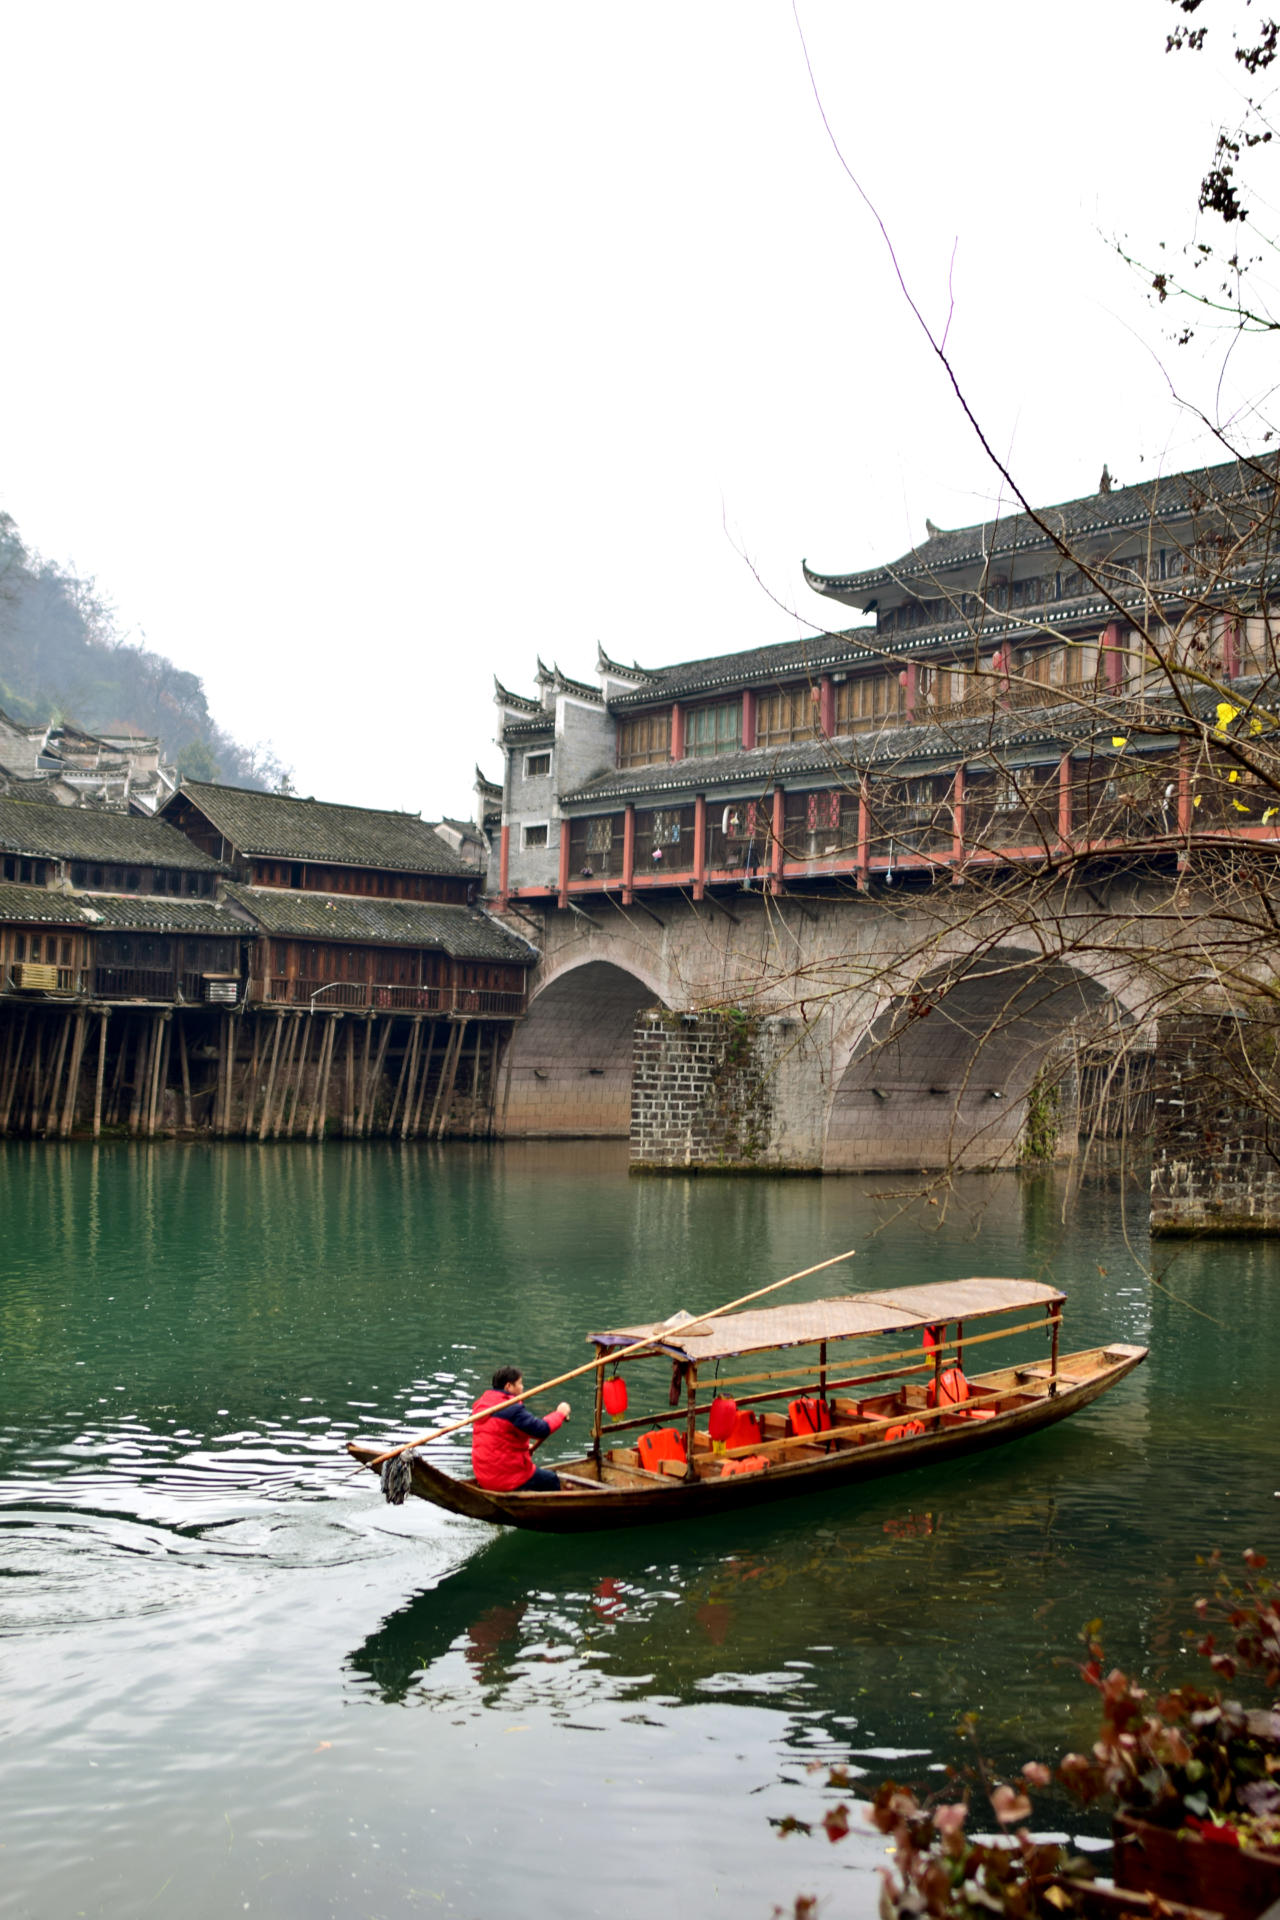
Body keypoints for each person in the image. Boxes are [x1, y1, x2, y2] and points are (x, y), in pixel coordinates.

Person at [470, 1366, 570, 1492]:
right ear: (508, 1386)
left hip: (484, 1476)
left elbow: (498, 1435)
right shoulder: (512, 1409)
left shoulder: (481, 1405)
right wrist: (560, 1413)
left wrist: (523, 1447)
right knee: (551, 1480)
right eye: (520, 1383)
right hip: (506, 1479)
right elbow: (541, 1430)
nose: (522, 1387)